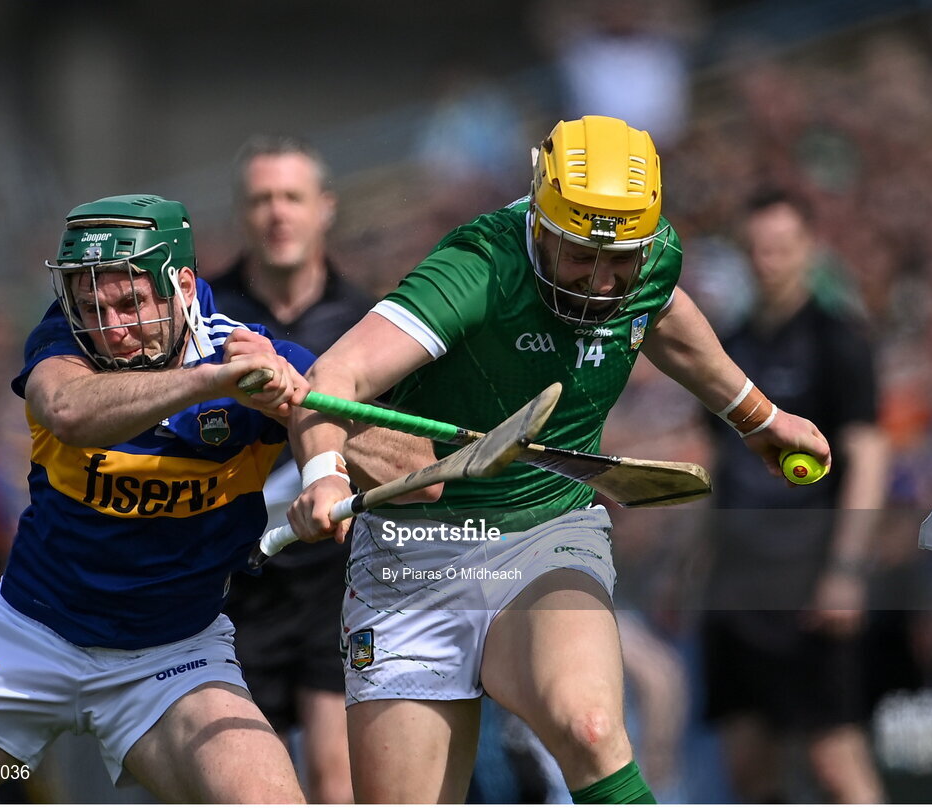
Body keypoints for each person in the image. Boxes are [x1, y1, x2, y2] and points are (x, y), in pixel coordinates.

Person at [281, 115, 831, 803]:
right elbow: (336, 377)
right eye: (579, 256)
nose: (600, 281)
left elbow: (660, 313)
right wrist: (323, 473)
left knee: (591, 726)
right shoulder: (480, 268)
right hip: (411, 557)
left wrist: (758, 417)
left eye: (620, 259)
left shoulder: (651, 257)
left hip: (546, 533)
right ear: (540, 224)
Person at [0, 193, 434, 803]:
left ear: (182, 287)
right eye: (92, 307)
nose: (112, 329)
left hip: (172, 660)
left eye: (131, 304)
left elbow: (421, 471)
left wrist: (296, 403)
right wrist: (209, 383)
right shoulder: (64, 342)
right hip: (29, 636)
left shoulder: (256, 355)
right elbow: (68, 411)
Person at [699, 188, 889, 803]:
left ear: (809, 248)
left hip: (810, 574)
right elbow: (714, 462)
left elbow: (869, 457)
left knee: (835, 758)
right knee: (747, 763)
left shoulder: (839, 339)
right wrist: (689, 567)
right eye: (756, 249)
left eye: (781, 248)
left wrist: (846, 571)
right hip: (737, 582)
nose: (768, 262)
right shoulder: (727, 348)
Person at [211, 134, 373, 803]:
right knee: (249, 787)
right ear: (241, 212)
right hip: (231, 580)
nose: (278, 213)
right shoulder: (204, 319)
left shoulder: (366, 321)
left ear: (325, 206)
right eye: (261, 199)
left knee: (339, 780)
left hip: (335, 572)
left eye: (292, 197)